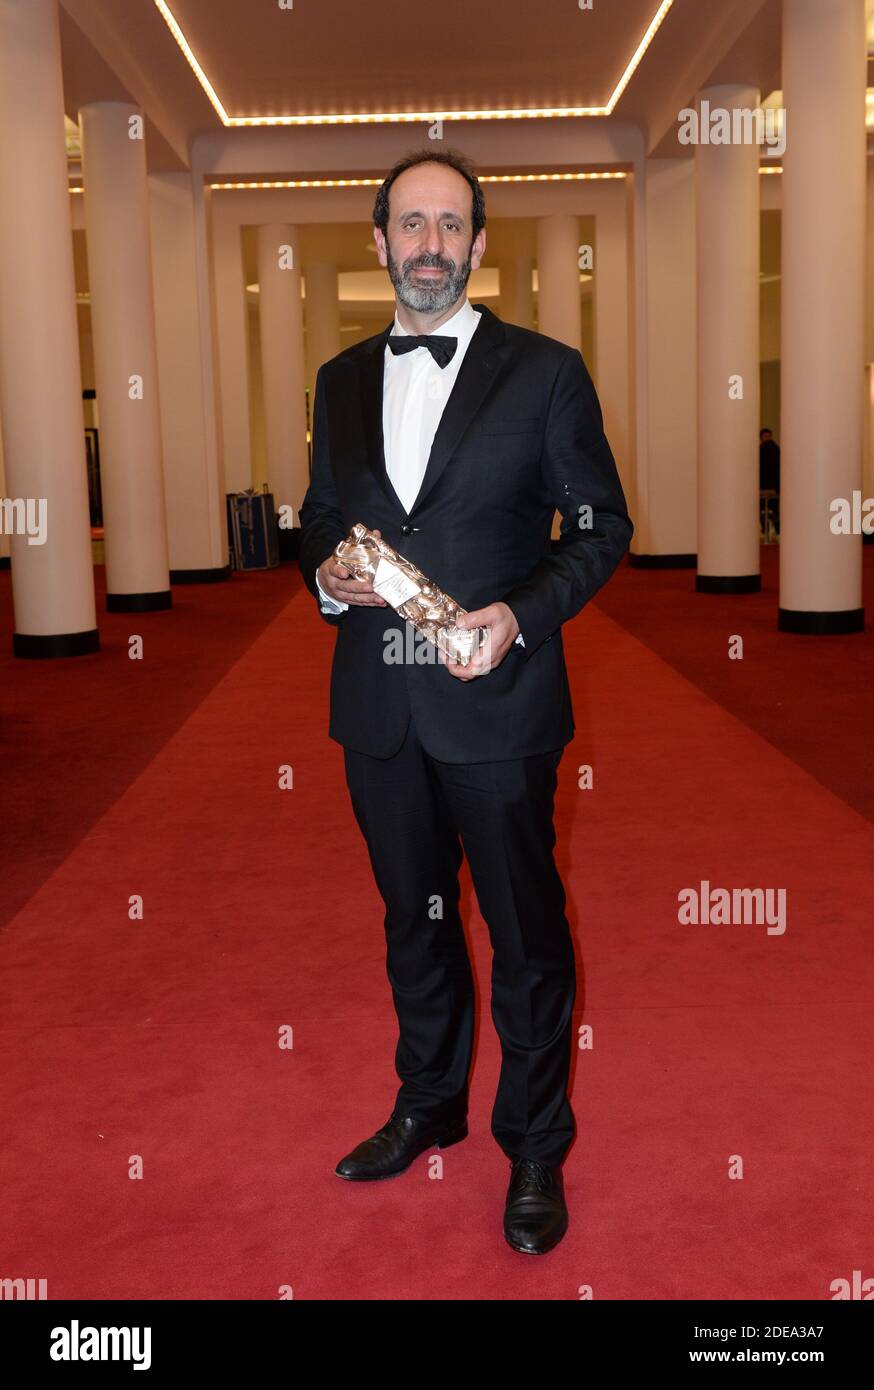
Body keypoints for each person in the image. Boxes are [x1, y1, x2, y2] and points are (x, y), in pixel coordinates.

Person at [299, 148, 633, 1256]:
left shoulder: (545, 372)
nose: (430, 244)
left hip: (497, 703)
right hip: (377, 713)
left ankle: (534, 1143)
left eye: (451, 225)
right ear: (380, 241)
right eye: (411, 224)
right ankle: (428, 1099)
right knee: (414, 920)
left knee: (525, 931)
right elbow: (317, 517)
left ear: (480, 246)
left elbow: (599, 529)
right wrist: (325, 576)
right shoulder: (338, 378)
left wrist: (520, 616)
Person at [759, 428, 781, 536]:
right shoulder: (777, 450)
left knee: (763, 511)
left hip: (763, 486)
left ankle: (765, 531)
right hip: (776, 486)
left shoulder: (759, 451)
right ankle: (777, 532)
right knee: (776, 510)